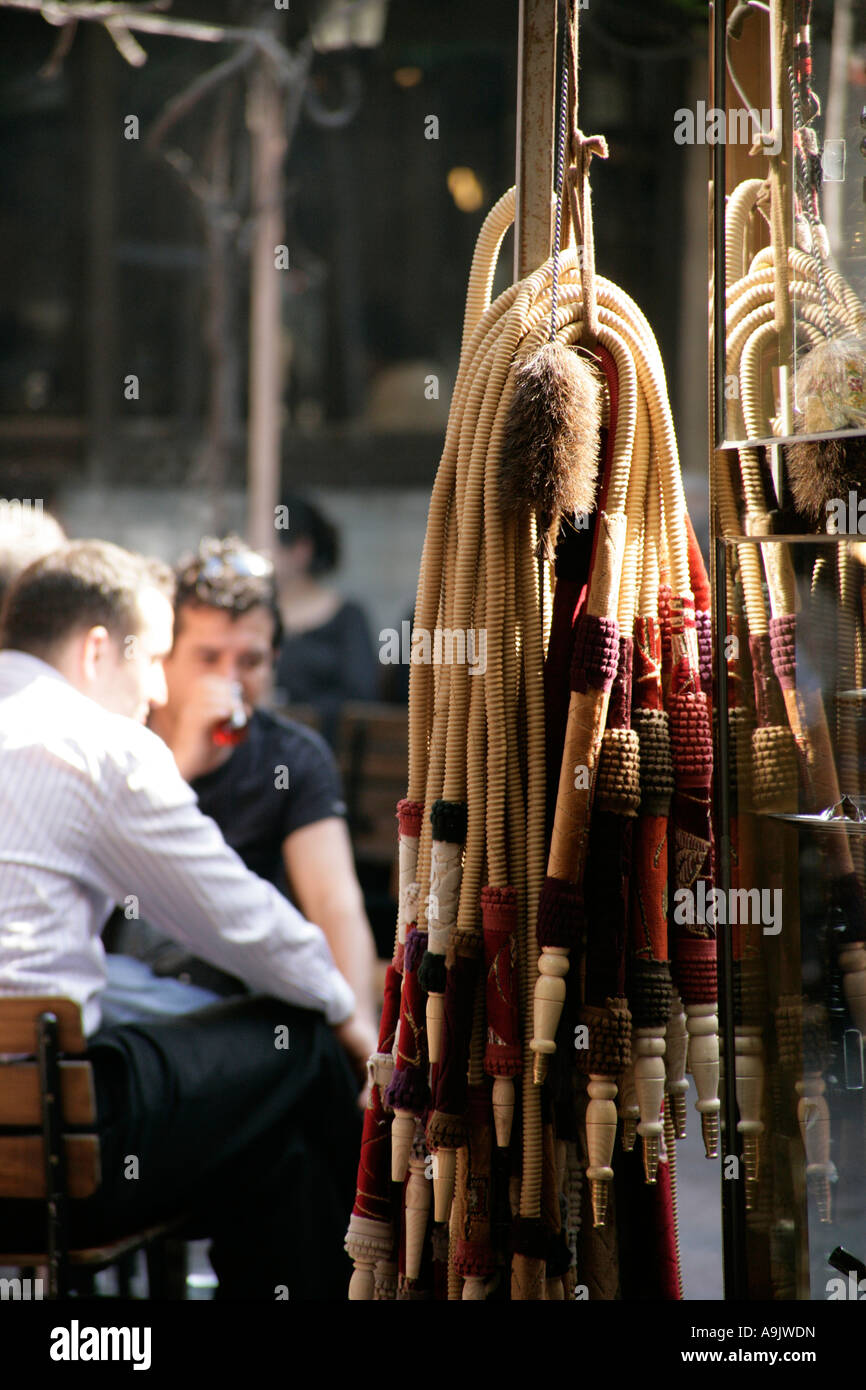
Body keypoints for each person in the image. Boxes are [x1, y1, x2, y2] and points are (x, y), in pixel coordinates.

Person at [0, 540, 372, 1299]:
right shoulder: (102, 747)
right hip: (46, 1162)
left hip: (34, 1130)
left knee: (276, 1150)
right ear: (99, 648)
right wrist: (354, 1028)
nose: (150, 695)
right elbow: (249, 926)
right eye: (158, 660)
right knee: (303, 1043)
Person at [103, 534, 379, 1034]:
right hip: (124, 996)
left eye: (249, 662)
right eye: (208, 658)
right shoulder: (120, 740)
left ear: (275, 660)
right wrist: (182, 760)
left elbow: (335, 902)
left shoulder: (290, 755)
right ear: (164, 659)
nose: (230, 680)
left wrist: (358, 1023)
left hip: (234, 1003)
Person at [273, 495, 379, 744]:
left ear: (300, 550)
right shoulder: (257, 617)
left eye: (269, 544)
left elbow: (362, 696)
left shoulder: (347, 617)